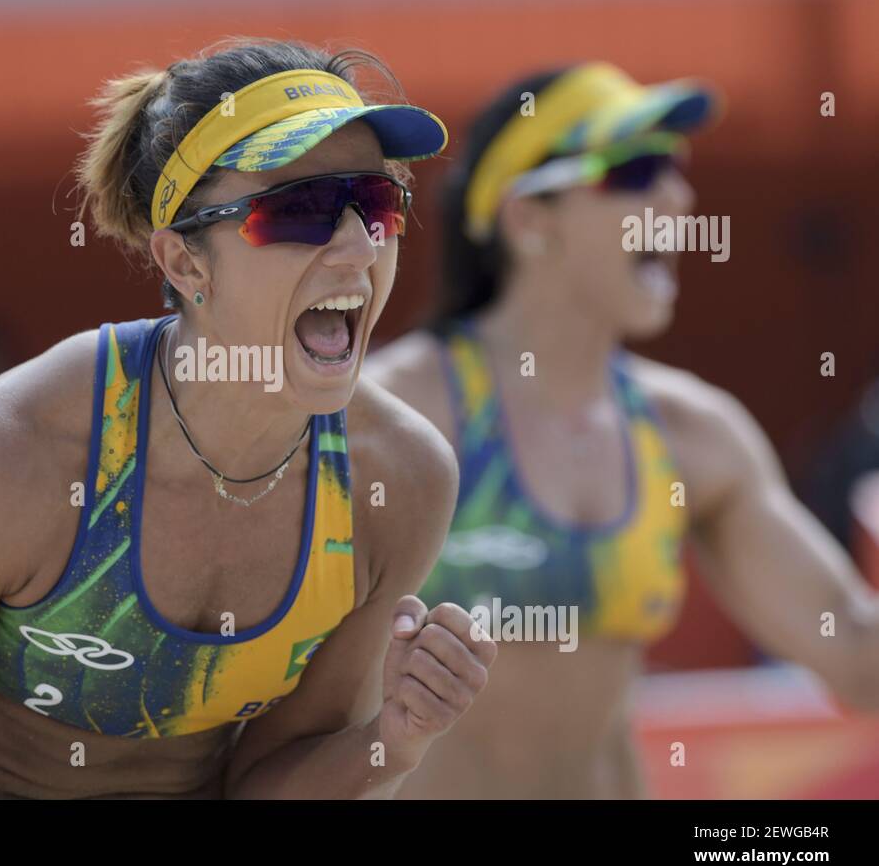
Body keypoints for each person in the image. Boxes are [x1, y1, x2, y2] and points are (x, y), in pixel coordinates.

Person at [0, 38, 497, 799]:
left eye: (374, 206)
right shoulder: (7, 455)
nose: (352, 249)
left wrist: (391, 743)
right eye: (298, 211)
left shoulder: (397, 479)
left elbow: (261, 784)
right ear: (184, 264)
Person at [365, 62, 879, 799]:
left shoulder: (691, 432)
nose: (678, 195)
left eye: (675, 168)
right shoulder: (392, 419)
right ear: (528, 217)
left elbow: (858, 660)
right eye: (635, 171)